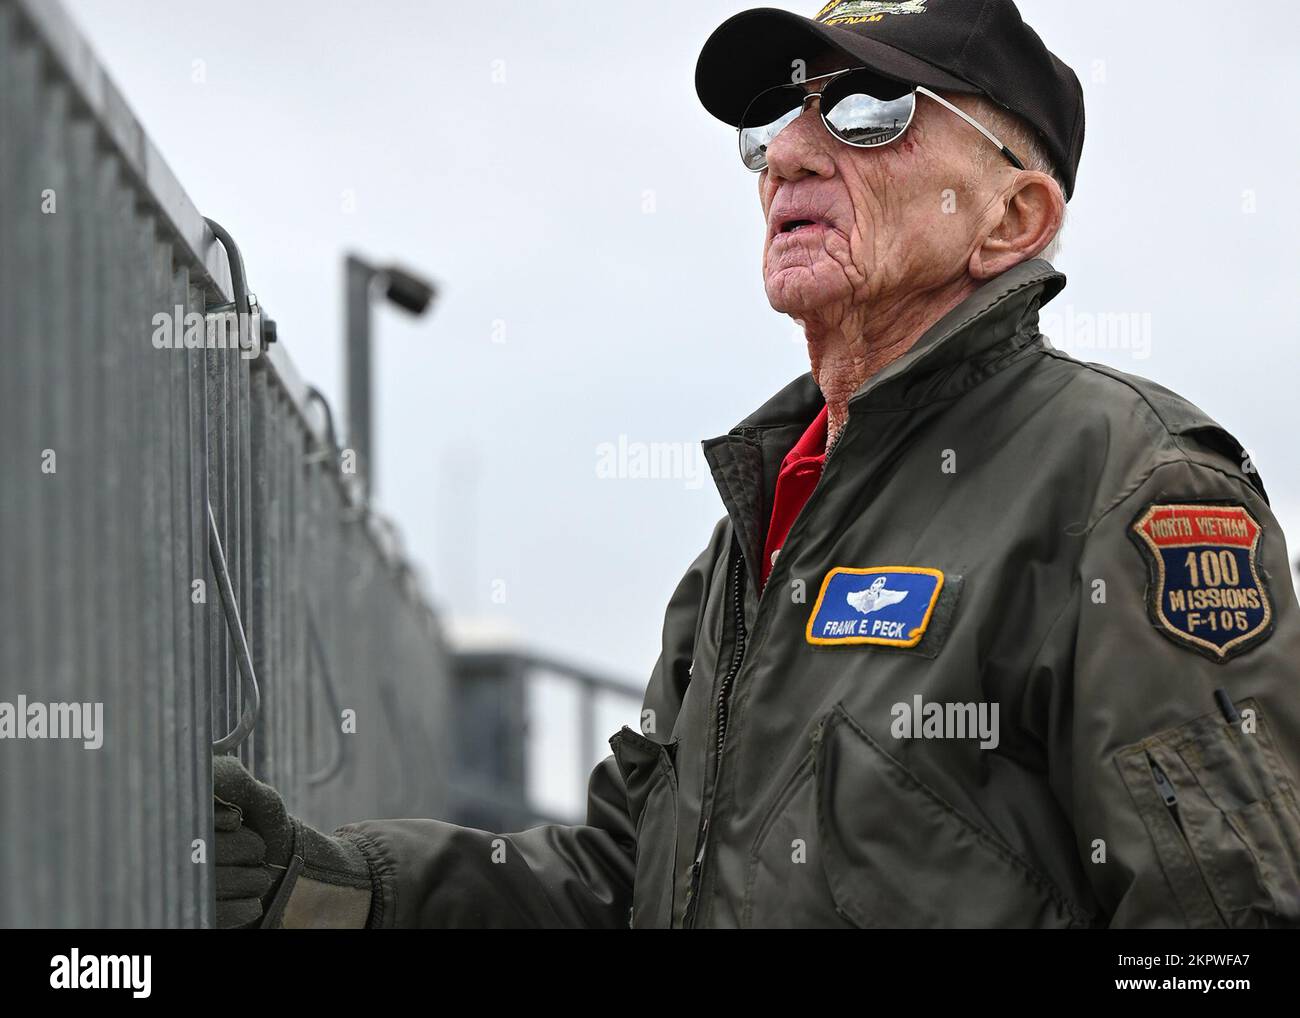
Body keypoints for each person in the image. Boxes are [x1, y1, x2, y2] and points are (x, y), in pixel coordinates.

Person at [214, 0, 1300, 928]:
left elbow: (1223, 925)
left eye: (870, 112)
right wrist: (331, 887)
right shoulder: (763, 519)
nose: (789, 150)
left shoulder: (1130, 483)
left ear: (1014, 217)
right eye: (778, 115)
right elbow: (623, 879)